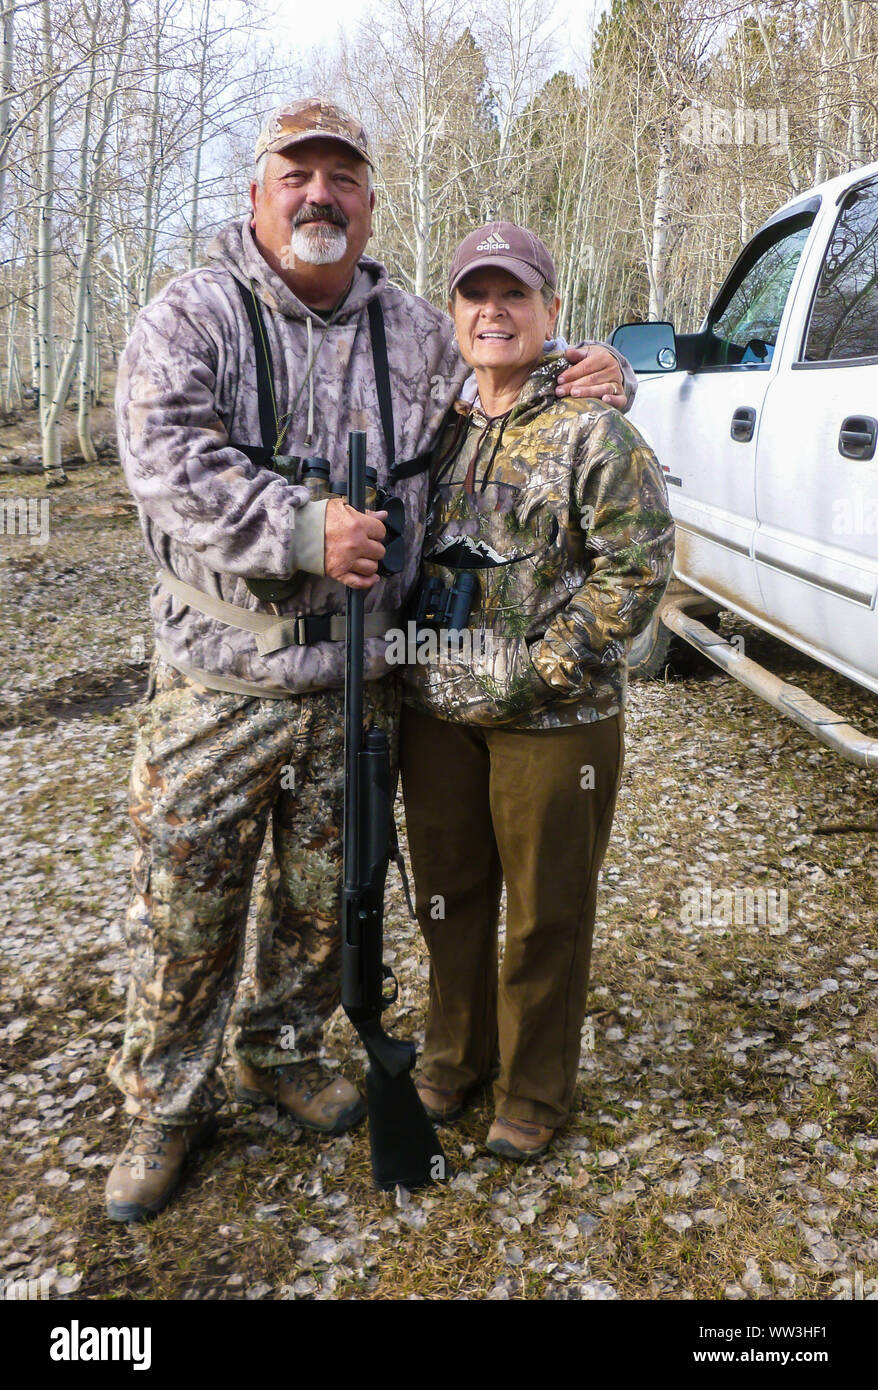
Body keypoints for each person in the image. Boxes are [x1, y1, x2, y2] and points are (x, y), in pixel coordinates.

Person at [105, 100, 637, 1221]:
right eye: (296, 176)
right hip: (220, 683)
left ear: (368, 202)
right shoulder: (186, 317)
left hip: (365, 681)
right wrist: (303, 531)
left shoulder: (411, 327)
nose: (318, 197)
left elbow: (503, 370)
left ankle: (285, 1053)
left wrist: (594, 370)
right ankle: (163, 1106)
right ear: (256, 193)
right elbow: (164, 460)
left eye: (342, 178)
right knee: (186, 909)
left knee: (321, 904)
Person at [400, 222, 675, 1160]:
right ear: (453, 315)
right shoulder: (428, 424)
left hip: (554, 720)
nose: (493, 311)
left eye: (513, 293)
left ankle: (534, 1087)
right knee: (447, 895)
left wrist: (538, 670)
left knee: (546, 908)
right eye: (475, 295)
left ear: (550, 311)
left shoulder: (596, 428)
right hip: (435, 714)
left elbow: (635, 570)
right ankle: (455, 1053)